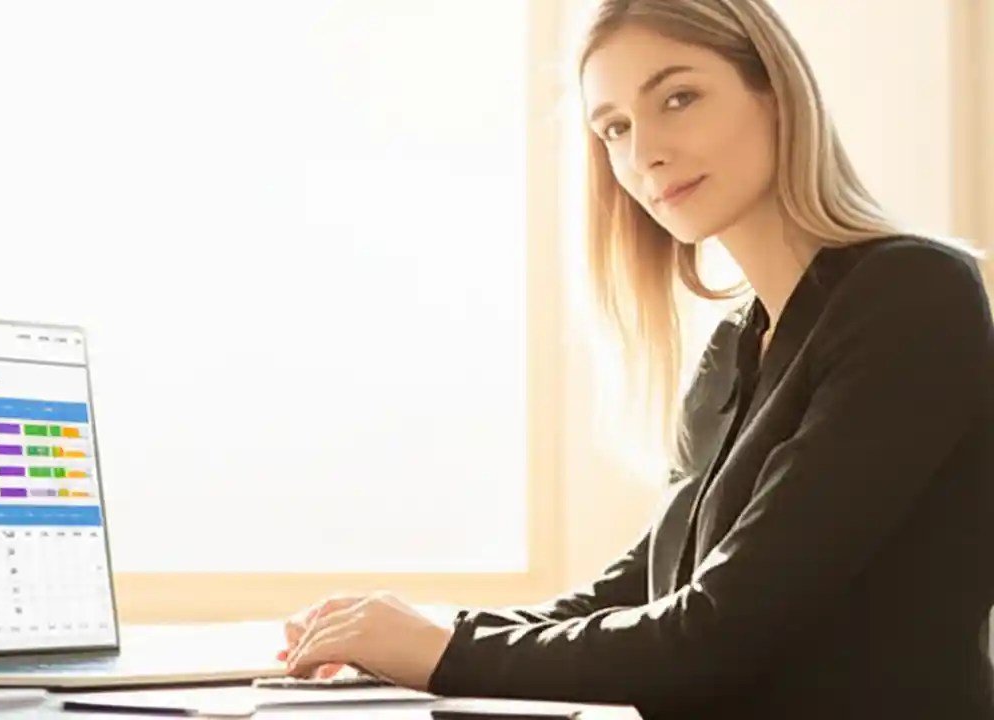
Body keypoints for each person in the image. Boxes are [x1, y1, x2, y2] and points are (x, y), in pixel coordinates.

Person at [278, 0, 994, 718]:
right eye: (614, 128)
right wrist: (410, 632)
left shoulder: (912, 297)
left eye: (678, 98)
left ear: (774, 92)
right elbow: (637, 595)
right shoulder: (731, 351)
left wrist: (442, 650)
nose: (644, 151)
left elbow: (716, 631)